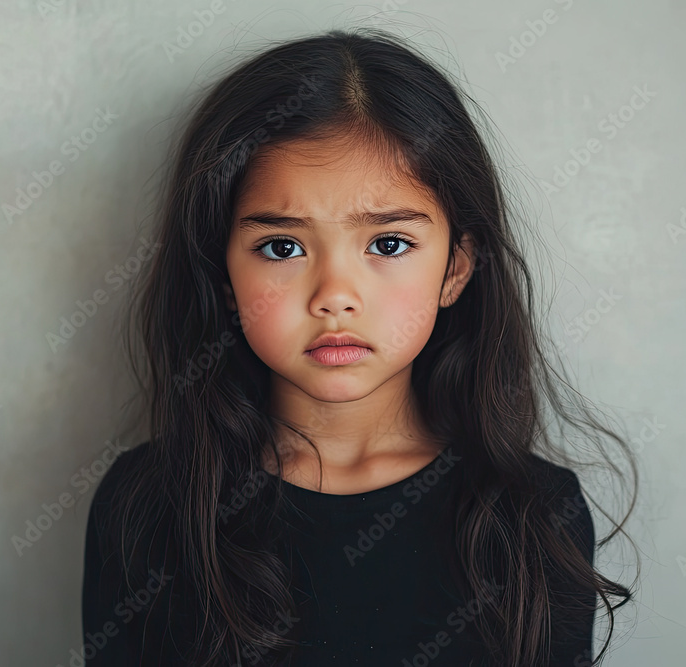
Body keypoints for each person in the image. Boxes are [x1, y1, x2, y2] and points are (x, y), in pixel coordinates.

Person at [81, 27, 637, 667]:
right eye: (282, 247)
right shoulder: (146, 507)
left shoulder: (534, 517)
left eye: (389, 244)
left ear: (456, 269)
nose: (335, 296)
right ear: (223, 276)